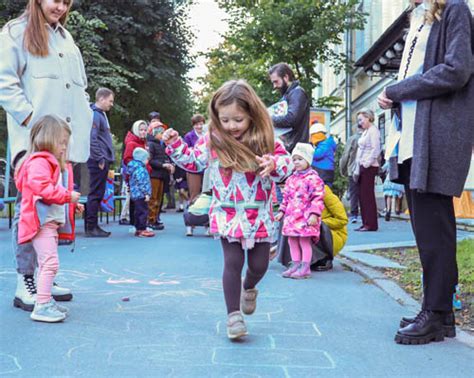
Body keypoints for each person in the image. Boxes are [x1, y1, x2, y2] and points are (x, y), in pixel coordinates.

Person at [163, 79, 292, 340]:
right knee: (232, 262)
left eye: (238, 120)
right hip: (227, 211)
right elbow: (193, 161)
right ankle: (233, 316)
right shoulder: (212, 139)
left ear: (252, 115)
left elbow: (287, 166)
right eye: (225, 120)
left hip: (258, 213)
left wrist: (274, 164)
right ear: (216, 117)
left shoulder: (266, 140)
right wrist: (175, 143)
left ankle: (250, 286)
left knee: (258, 264)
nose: (232, 126)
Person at [377, 0, 473, 345]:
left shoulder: (454, 10)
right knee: (428, 228)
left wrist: (396, 90)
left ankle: (434, 313)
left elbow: (457, 70)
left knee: (435, 230)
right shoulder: (418, 17)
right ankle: (441, 312)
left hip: (435, 138)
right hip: (412, 138)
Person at [0, 0, 92, 311]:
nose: (61, 6)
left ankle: (44, 276)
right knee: (32, 209)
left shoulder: (66, 38)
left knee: (51, 212)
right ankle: (24, 280)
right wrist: (30, 121)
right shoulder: (15, 32)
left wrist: (78, 135)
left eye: (67, 1)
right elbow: (5, 83)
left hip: (61, 145)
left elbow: (78, 90)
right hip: (34, 141)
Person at [15, 115, 82, 322]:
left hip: (48, 223)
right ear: (48, 139)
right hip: (41, 223)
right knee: (49, 263)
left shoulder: (48, 163)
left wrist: (71, 203)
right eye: (61, 142)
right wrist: (67, 197)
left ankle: (45, 301)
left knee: (49, 263)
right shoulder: (39, 162)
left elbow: (52, 189)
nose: (64, 147)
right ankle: (42, 305)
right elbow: (42, 188)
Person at [275, 143, 325, 279]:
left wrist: (314, 214)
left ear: (308, 160)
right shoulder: (291, 179)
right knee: (292, 240)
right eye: (294, 159)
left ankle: (305, 266)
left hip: (306, 217)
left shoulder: (313, 179)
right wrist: (281, 211)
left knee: (304, 241)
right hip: (292, 217)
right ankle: (296, 264)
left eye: (300, 159)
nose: (296, 162)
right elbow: (286, 197)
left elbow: (318, 197)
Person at [85, 87, 115, 238]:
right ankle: (91, 227)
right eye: (110, 101)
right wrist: (100, 158)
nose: (111, 104)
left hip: (101, 159)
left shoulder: (100, 115)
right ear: (101, 99)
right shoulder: (95, 115)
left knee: (98, 192)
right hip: (98, 161)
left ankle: (93, 225)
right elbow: (92, 138)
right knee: (95, 193)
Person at [268, 63, 310, 153]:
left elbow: (291, 119)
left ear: (286, 77)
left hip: (295, 149)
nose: (274, 86)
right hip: (291, 147)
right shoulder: (290, 95)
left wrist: (268, 119)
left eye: (276, 81)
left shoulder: (297, 93)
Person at [354, 108, 380, 232]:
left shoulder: (373, 131)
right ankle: (365, 222)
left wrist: (366, 163)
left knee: (367, 196)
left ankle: (371, 224)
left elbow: (376, 149)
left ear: (368, 117)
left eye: (361, 119)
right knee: (362, 196)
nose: (359, 122)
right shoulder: (366, 131)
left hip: (369, 167)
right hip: (363, 166)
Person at [312, 185, 349, 271]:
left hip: (332, 233)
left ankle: (325, 258)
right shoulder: (298, 192)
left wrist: (319, 222)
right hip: (313, 231)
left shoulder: (323, 191)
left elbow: (342, 220)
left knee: (314, 226)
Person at [147, 120, 174, 230]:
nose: (163, 134)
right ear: (154, 132)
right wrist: (163, 165)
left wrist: (170, 164)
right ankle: (150, 219)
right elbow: (150, 160)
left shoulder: (162, 145)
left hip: (162, 175)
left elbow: (166, 157)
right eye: (160, 132)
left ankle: (156, 217)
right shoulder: (151, 144)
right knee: (153, 198)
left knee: (159, 198)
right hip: (154, 175)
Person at [122, 120, 149, 230]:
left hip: (142, 174)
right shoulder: (132, 143)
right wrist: (138, 169)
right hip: (135, 176)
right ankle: (137, 225)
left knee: (137, 201)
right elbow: (127, 159)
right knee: (138, 202)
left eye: (145, 130)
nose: (143, 132)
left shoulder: (143, 142)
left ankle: (137, 225)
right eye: (141, 130)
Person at [127, 147, 154, 238]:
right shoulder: (141, 169)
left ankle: (138, 227)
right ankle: (142, 228)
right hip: (141, 194)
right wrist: (146, 193)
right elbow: (142, 182)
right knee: (143, 211)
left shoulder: (133, 168)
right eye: (146, 159)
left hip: (135, 194)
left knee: (137, 211)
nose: (147, 161)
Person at [339, 123, 363, 224]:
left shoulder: (352, 139)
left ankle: (354, 215)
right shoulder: (371, 137)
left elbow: (345, 155)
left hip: (353, 169)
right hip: (366, 168)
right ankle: (366, 214)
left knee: (354, 192)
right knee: (366, 192)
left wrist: (342, 170)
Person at [184, 114, 206, 203]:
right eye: (197, 124)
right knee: (194, 195)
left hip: (207, 169)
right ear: (193, 125)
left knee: (207, 194)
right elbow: (186, 153)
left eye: (201, 124)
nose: (199, 126)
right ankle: (193, 214)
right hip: (194, 169)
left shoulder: (208, 135)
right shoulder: (188, 136)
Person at [309, 122, 337, 187]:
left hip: (323, 172)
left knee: (323, 191)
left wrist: (309, 150)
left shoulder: (325, 144)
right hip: (325, 172)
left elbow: (317, 155)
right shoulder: (326, 144)